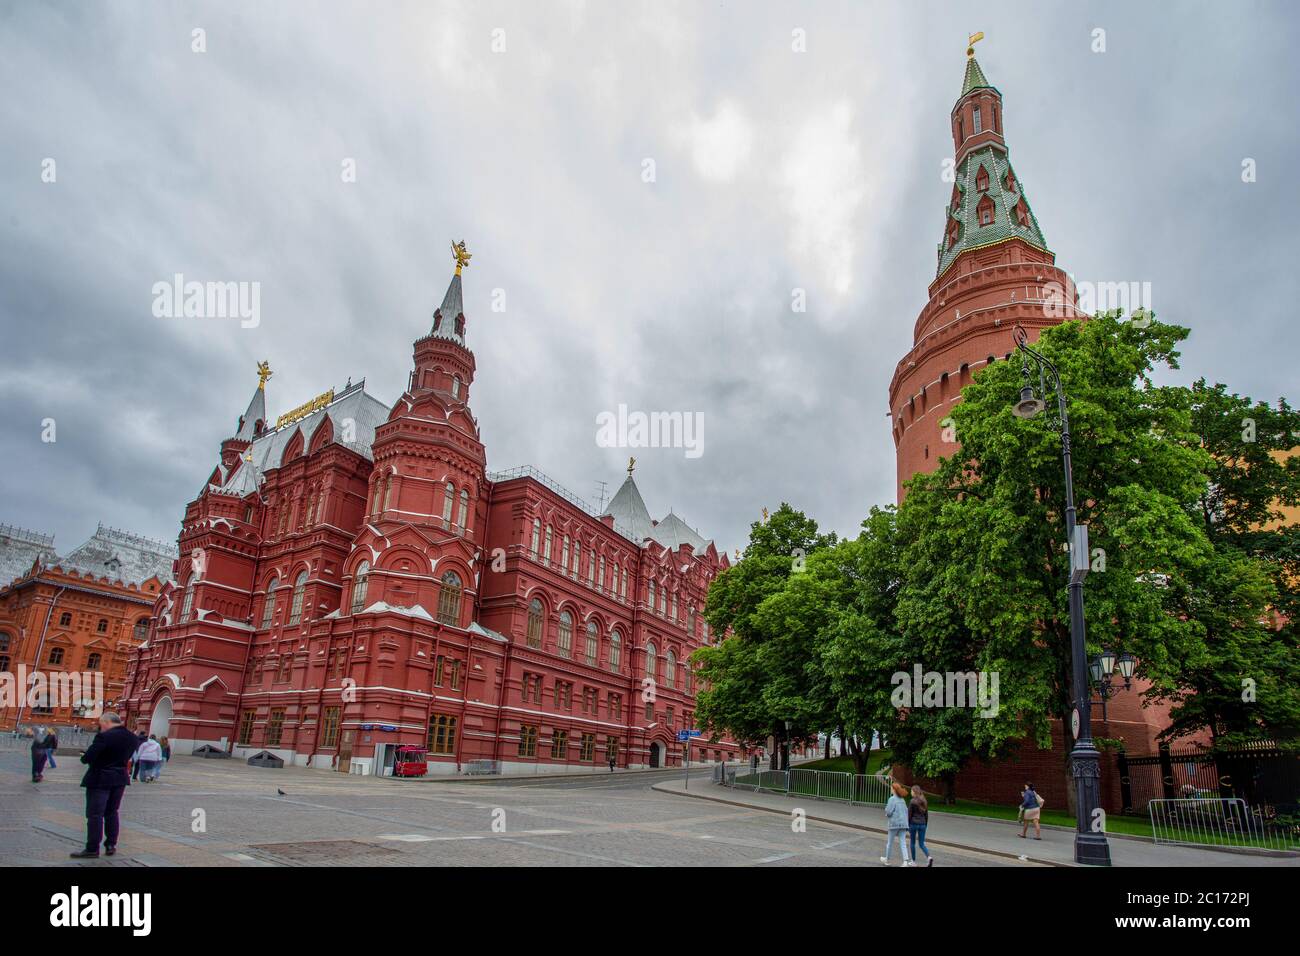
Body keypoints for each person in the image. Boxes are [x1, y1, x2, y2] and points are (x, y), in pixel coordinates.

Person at [71, 711, 138, 858]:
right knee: (112, 812)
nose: (100, 728)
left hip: (100, 778)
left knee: (95, 814)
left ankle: (92, 848)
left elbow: (88, 757)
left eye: (101, 724)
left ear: (107, 722)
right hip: (120, 778)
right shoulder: (132, 737)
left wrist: (85, 757)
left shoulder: (104, 736)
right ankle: (111, 845)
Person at [880, 780, 913, 866]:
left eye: (891, 788)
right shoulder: (902, 800)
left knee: (890, 842)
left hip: (894, 824)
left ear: (894, 789)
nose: (890, 789)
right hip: (903, 824)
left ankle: (887, 859)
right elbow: (906, 811)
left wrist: (886, 812)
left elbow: (889, 811)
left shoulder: (892, 799)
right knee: (903, 843)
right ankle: (905, 861)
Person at [909, 784, 934, 867]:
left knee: (912, 843)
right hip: (922, 824)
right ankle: (929, 857)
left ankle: (913, 861)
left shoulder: (912, 801)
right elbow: (926, 815)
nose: (911, 792)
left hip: (913, 824)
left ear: (914, 792)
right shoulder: (924, 801)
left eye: (911, 791)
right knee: (921, 844)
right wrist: (925, 824)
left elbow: (909, 815)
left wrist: (908, 825)